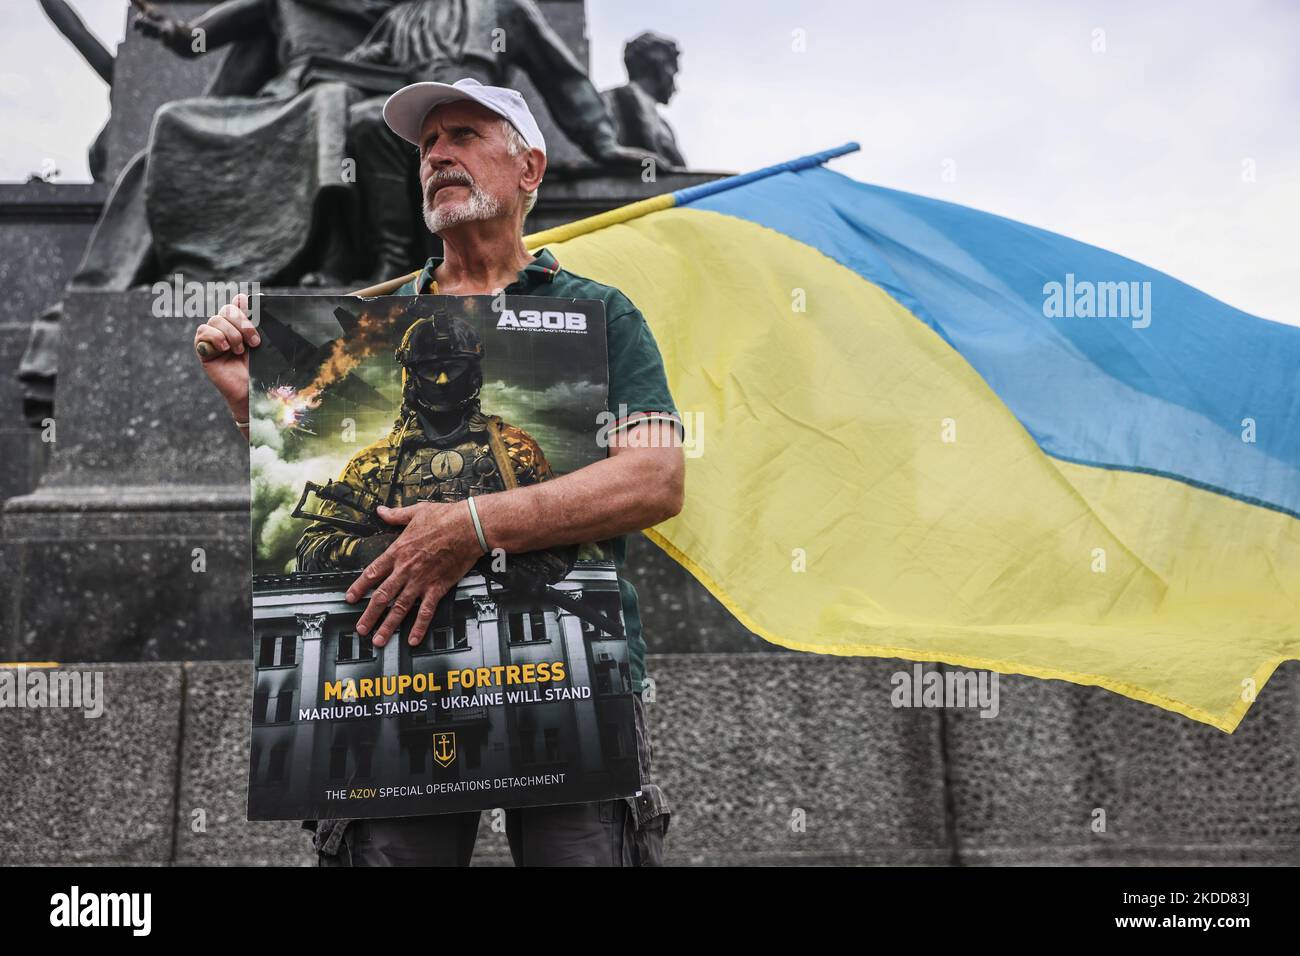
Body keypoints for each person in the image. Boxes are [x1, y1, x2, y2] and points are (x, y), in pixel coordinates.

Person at [193, 77, 684, 866]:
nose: (438, 155)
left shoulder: (602, 314)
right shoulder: (366, 328)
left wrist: (472, 528)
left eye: (463, 136)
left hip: (562, 678)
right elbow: (306, 530)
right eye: (426, 146)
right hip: (390, 684)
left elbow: (655, 479)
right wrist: (249, 408)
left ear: (529, 168)